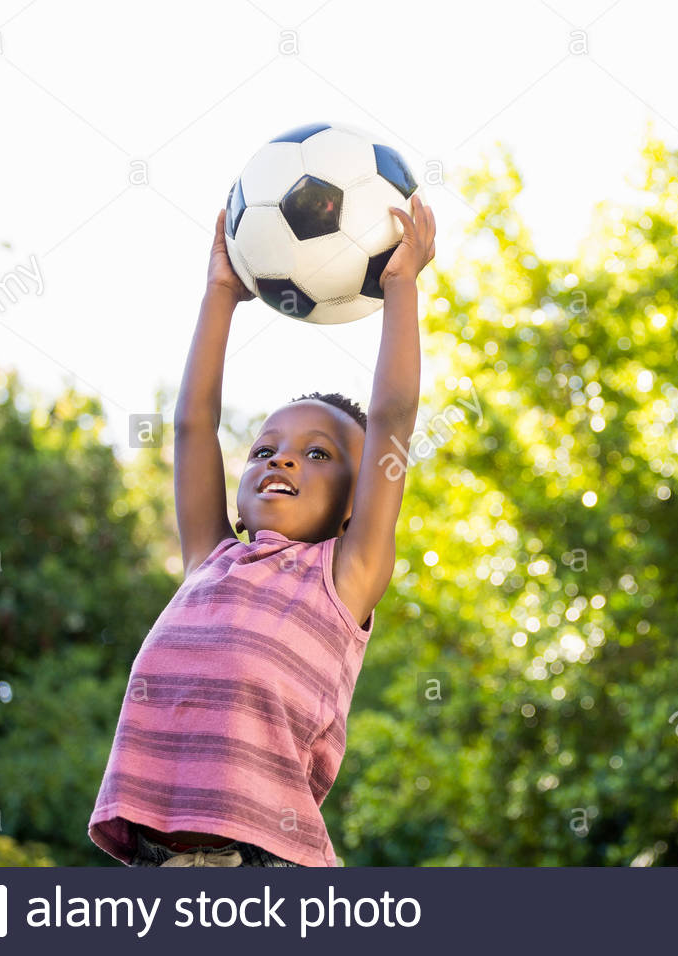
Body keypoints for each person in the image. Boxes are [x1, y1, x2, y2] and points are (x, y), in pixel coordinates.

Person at [87, 195, 436, 867]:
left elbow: (393, 417)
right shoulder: (208, 561)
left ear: (352, 505)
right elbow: (193, 424)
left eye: (317, 453)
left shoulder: (343, 579)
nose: (280, 458)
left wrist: (400, 287)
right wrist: (221, 290)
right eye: (265, 449)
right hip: (158, 864)